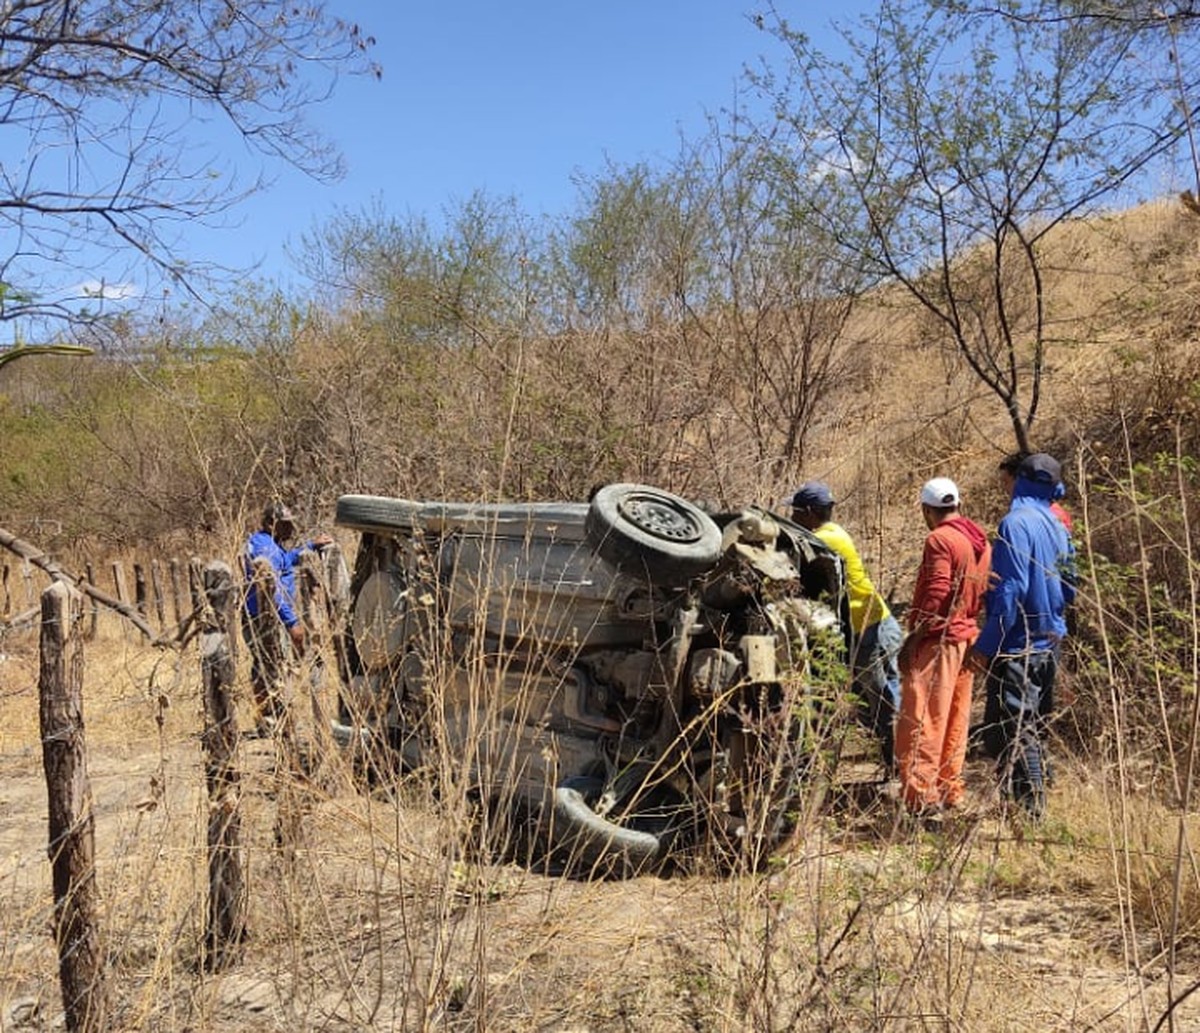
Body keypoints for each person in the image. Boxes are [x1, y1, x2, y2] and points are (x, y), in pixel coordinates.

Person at [971, 453, 1075, 819]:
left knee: (1016, 729)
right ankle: (1028, 799)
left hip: (1019, 645)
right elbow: (1070, 584)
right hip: (1050, 641)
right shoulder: (1057, 523)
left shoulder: (1015, 524)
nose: (1005, 488)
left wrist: (986, 645)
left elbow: (1008, 592)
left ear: (1020, 481)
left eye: (1007, 481)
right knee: (1035, 725)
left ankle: (1031, 813)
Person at [789, 481, 903, 774]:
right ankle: (900, 765)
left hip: (870, 627)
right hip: (869, 625)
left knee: (885, 702)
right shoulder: (829, 534)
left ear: (811, 513)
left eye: (796, 512)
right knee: (874, 700)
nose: (792, 517)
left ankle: (902, 768)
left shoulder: (825, 540)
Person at [896, 477, 991, 816]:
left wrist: (914, 637)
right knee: (955, 719)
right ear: (957, 505)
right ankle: (950, 789)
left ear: (927, 510)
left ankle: (922, 797)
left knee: (922, 719)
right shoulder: (978, 539)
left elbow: (936, 593)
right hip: (967, 637)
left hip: (939, 640)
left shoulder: (940, 539)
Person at [242, 502, 332, 734]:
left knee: (267, 666)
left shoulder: (268, 544)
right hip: (265, 618)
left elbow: (284, 561)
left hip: (265, 616)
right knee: (270, 666)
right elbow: (272, 589)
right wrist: (291, 623)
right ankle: (270, 722)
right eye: (285, 525)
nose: (291, 529)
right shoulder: (266, 550)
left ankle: (269, 720)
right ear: (272, 524)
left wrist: (310, 545)